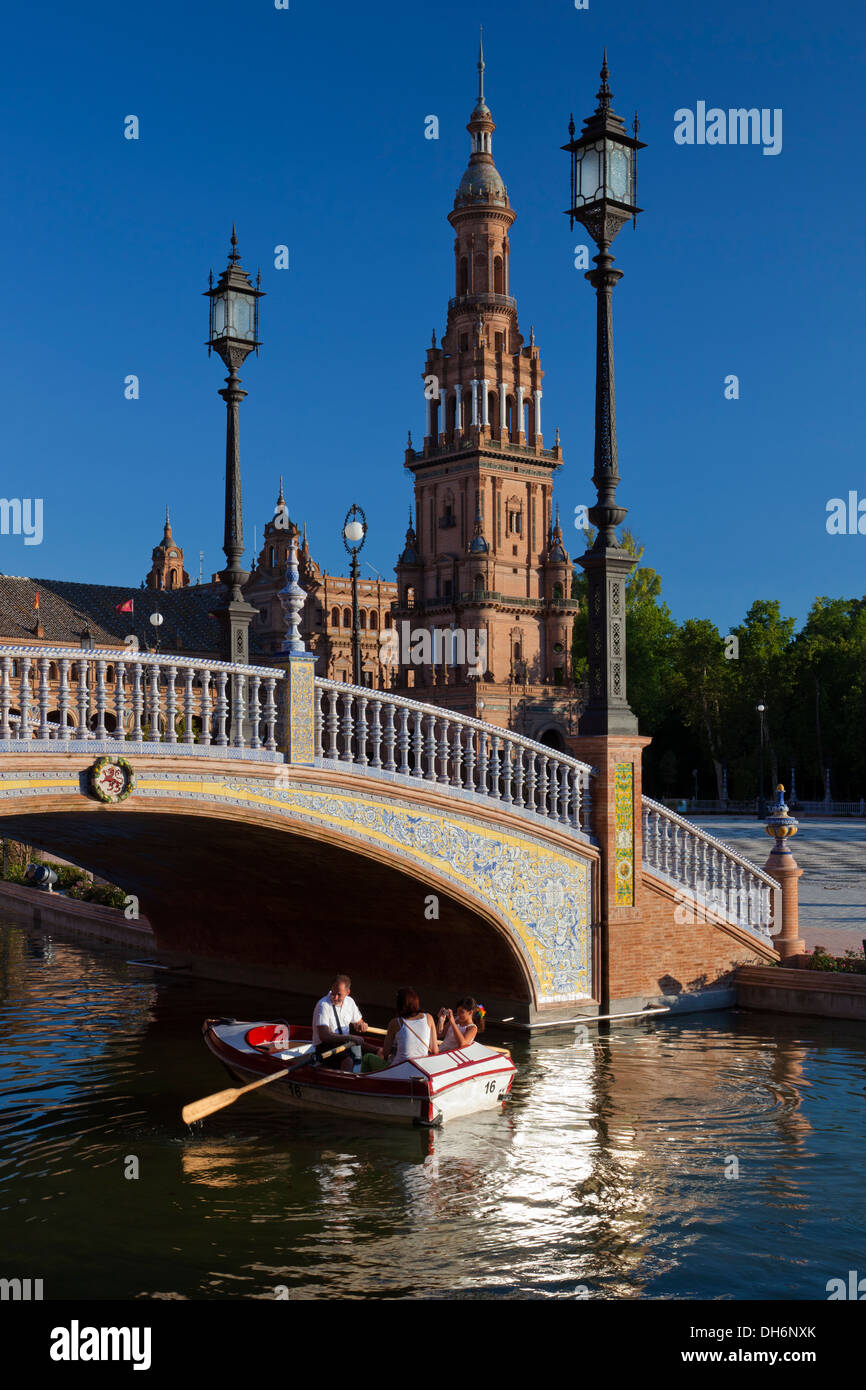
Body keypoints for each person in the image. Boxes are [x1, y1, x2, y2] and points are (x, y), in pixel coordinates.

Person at [361, 987, 438, 1073]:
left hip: (398, 1070)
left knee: (367, 1057)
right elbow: (435, 1050)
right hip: (420, 1069)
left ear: (400, 1005)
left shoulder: (395, 1023)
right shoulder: (429, 1018)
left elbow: (386, 1052)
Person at [312, 975, 370, 1071]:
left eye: (339, 994)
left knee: (376, 1050)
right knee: (348, 1061)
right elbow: (324, 1036)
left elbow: (358, 1022)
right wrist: (350, 1037)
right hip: (325, 1046)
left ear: (348, 992)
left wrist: (361, 1025)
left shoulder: (350, 1002)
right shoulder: (323, 1005)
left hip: (344, 1043)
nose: (335, 997)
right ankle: (344, 1082)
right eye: (333, 993)